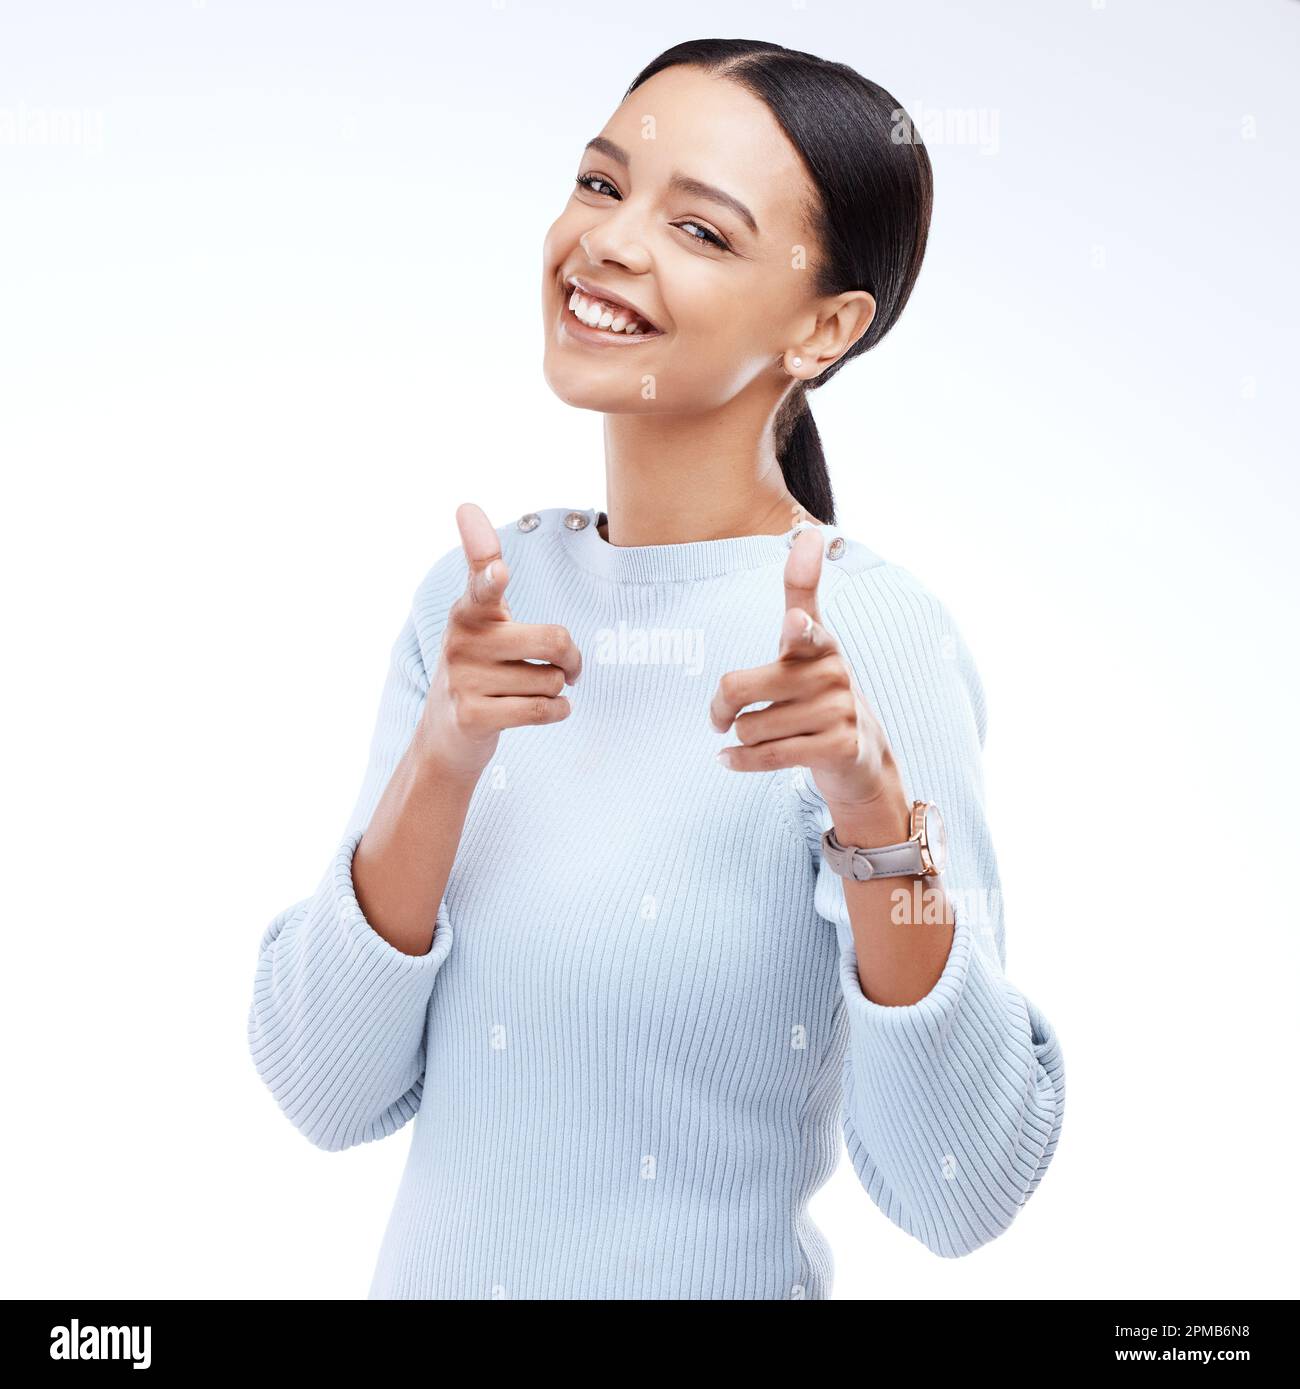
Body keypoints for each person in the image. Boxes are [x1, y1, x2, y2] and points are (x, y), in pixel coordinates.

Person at [246, 37, 1065, 1300]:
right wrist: (443, 761)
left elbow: (961, 1182)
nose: (611, 242)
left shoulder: (867, 636)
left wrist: (871, 819)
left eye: (702, 230)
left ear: (824, 327)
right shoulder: (478, 607)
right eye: (599, 183)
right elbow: (323, 1089)